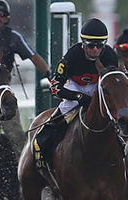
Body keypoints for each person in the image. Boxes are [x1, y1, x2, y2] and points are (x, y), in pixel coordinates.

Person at [36, 18, 118, 163]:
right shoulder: (71, 56)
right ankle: (44, 142)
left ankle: (121, 145)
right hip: (74, 85)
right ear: (83, 44)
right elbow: (55, 88)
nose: (95, 50)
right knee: (68, 107)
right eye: (91, 46)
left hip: (98, 85)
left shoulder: (110, 56)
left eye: (100, 46)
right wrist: (79, 97)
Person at [0, 0, 52, 151]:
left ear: (7, 18)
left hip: (2, 91)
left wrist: (49, 75)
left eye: (2, 15)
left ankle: (20, 170)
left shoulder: (13, 37)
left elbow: (33, 56)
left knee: (17, 137)